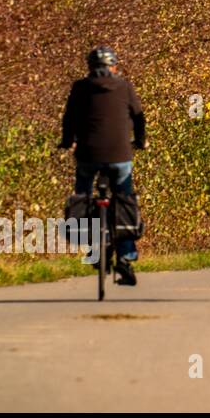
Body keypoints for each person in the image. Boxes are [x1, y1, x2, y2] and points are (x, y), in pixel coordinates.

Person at [59, 46, 146, 286]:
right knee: (125, 198)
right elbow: (139, 117)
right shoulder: (125, 87)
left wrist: (67, 142)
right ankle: (126, 255)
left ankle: (91, 245)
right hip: (120, 154)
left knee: (84, 194)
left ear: (90, 67)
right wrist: (140, 141)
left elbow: (69, 118)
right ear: (113, 67)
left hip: (88, 153)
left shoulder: (80, 88)